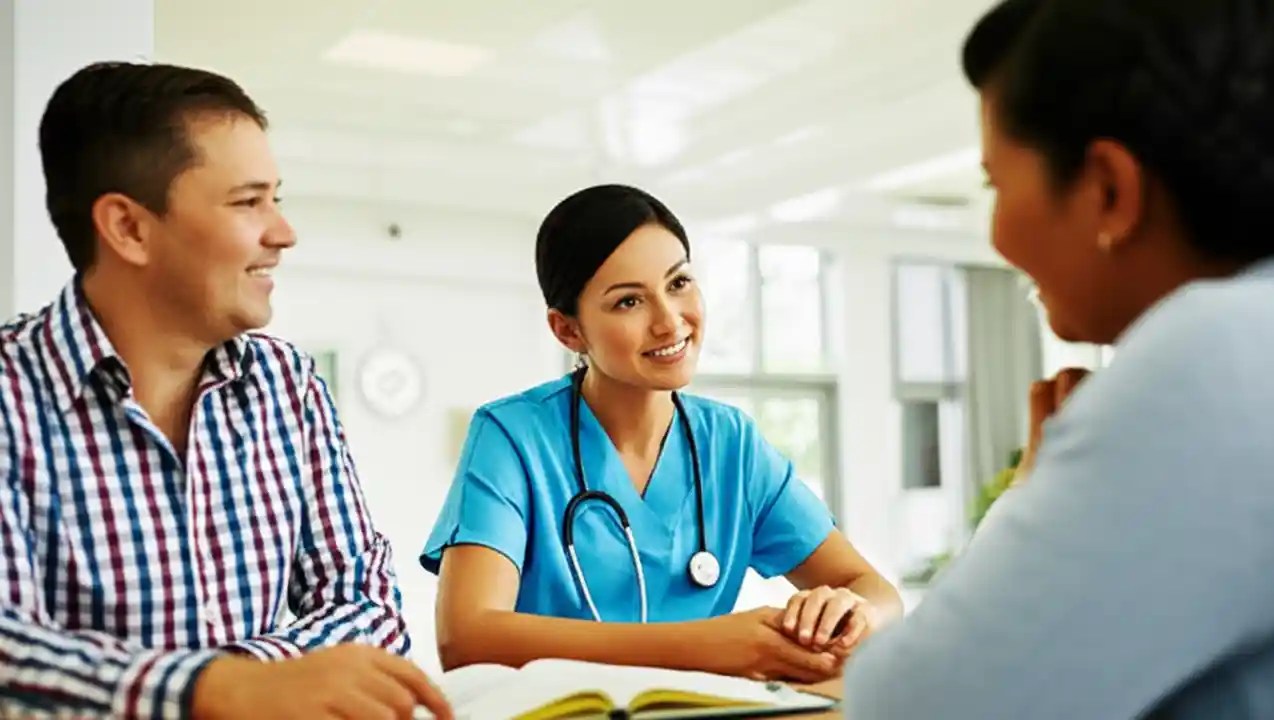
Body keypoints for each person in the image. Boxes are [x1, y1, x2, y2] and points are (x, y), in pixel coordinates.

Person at [845, 0, 1274, 717]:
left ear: (1109, 191)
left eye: (995, 182)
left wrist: (1032, 492)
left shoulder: (1215, 354)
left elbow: (917, 704)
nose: (995, 233)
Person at [0, 62, 451, 720]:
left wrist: (244, 678)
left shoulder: (288, 387)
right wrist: (214, 691)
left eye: (277, 197)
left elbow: (367, 606)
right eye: (248, 202)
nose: (283, 232)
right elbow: (9, 648)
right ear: (128, 228)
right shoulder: (11, 393)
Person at [421, 184, 902, 682]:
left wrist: (855, 613)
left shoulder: (730, 444)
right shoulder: (513, 438)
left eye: (678, 283)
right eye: (629, 302)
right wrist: (711, 646)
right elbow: (467, 638)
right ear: (568, 331)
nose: (669, 322)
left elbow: (875, 590)